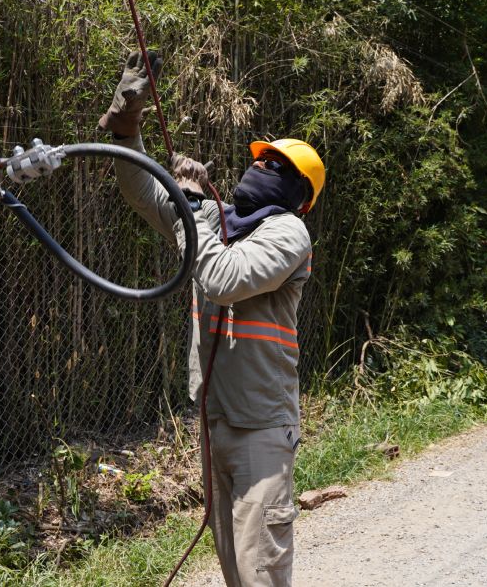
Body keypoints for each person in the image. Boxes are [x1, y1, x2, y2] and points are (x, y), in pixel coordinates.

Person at [99, 51, 325, 586]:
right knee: (233, 571)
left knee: (258, 573)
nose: (259, 169)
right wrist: (128, 123)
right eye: (259, 161)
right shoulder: (217, 221)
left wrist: (193, 206)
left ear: (298, 195)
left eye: (275, 168)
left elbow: (223, 278)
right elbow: (142, 192)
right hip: (215, 420)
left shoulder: (289, 234)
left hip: (261, 428)